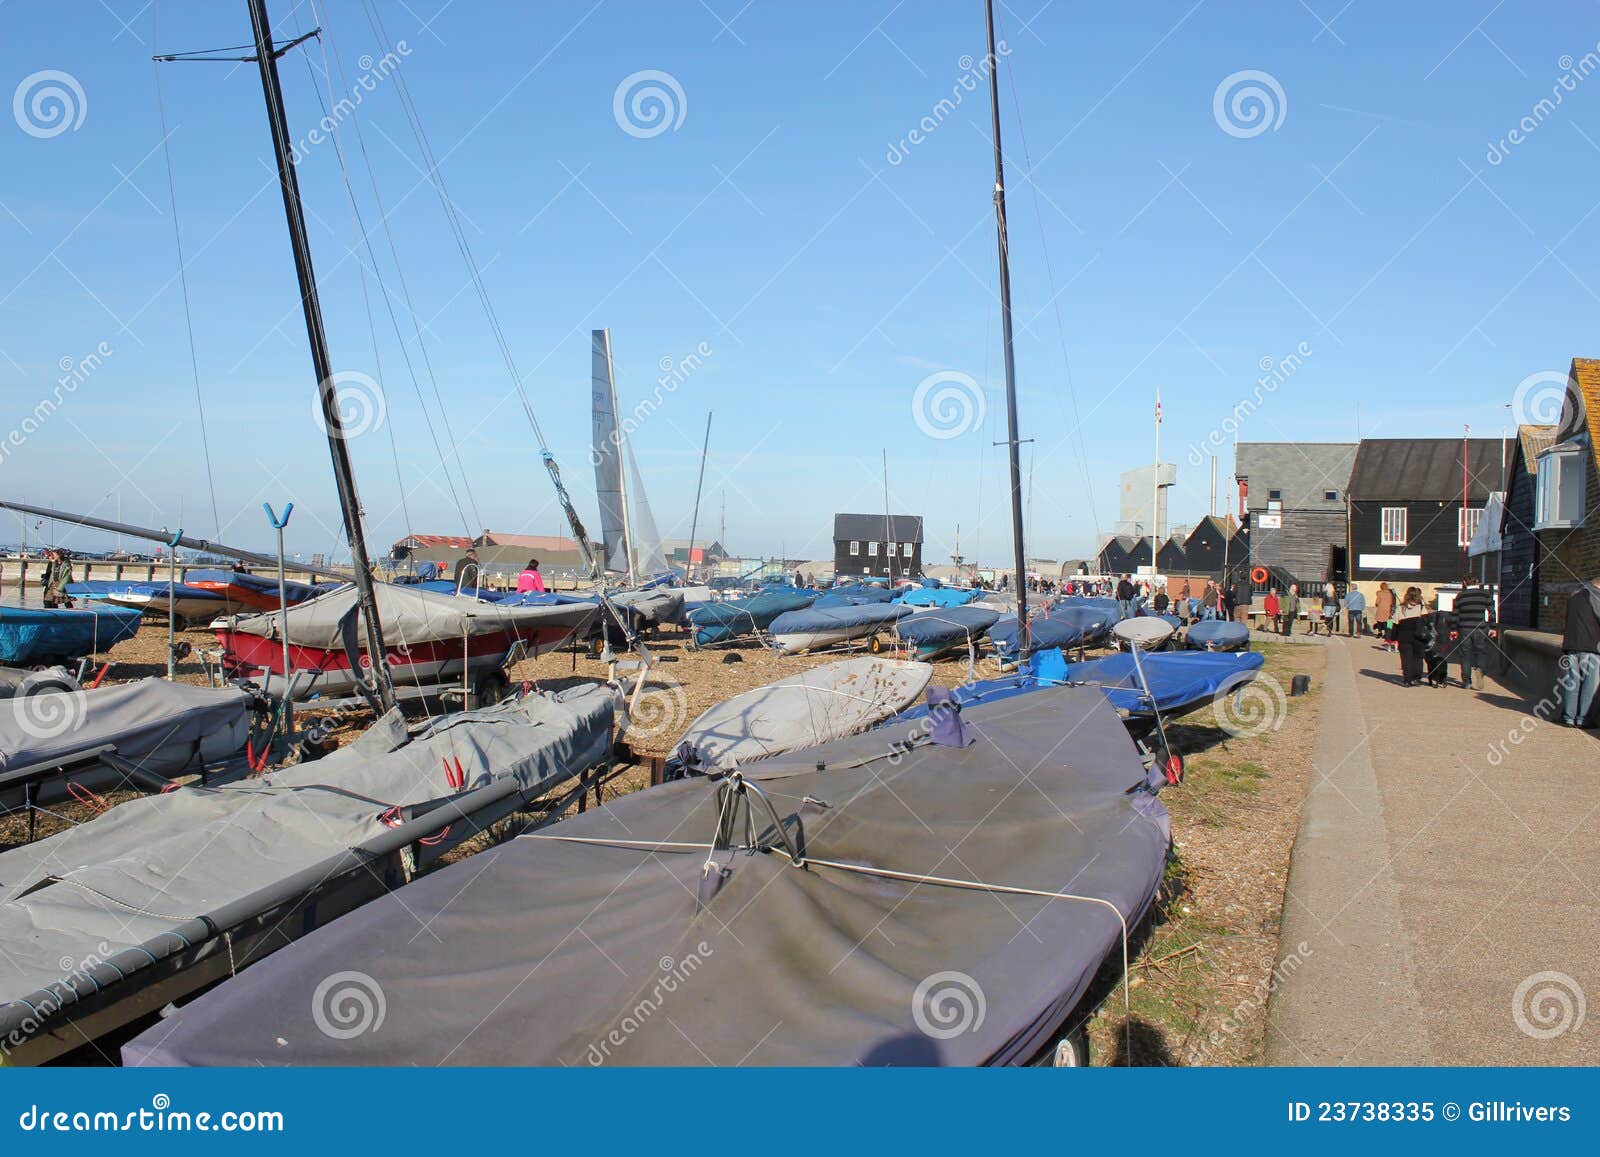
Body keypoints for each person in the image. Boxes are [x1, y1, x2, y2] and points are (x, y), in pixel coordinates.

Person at [1559, 579, 1600, 727]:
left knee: (1572, 683)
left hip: (1571, 645)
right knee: (1590, 685)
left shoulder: (1574, 596)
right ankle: (1583, 718)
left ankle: (1568, 718)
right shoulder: (1596, 597)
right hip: (1591, 647)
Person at [1452, 577, 1496, 689]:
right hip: (1480, 628)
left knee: (1465, 655)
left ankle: (1467, 682)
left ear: (1464, 583)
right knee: (1481, 652)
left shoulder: (1460, 596)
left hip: (1464, 628)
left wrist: (1453, 629)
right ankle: (1480, 670)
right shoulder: (1485, 594)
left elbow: (1455, 614)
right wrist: (1492, 627)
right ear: (1477, 583)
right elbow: (1491, 611)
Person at [1393, 586, 1428, 686]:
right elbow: (1426, 622)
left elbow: (1394, 623)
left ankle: (1407, 680)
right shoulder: (1421, 607)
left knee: (1406, 658)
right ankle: (1416, 678)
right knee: (1418, 657)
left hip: (1404, 636)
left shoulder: (1400, 608)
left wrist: (1393, 637)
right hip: (1418, 636)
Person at [1374, 581, 1397, 653]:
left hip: (1381, 610)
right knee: (1389, 627)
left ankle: (1381, 632)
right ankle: (1389, 639)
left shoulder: (1379, 593)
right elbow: (1394, 602)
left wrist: (1378, 604)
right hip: (1389, 612)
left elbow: (1377, 602)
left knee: (1380, 622)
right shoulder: (1391, 593)